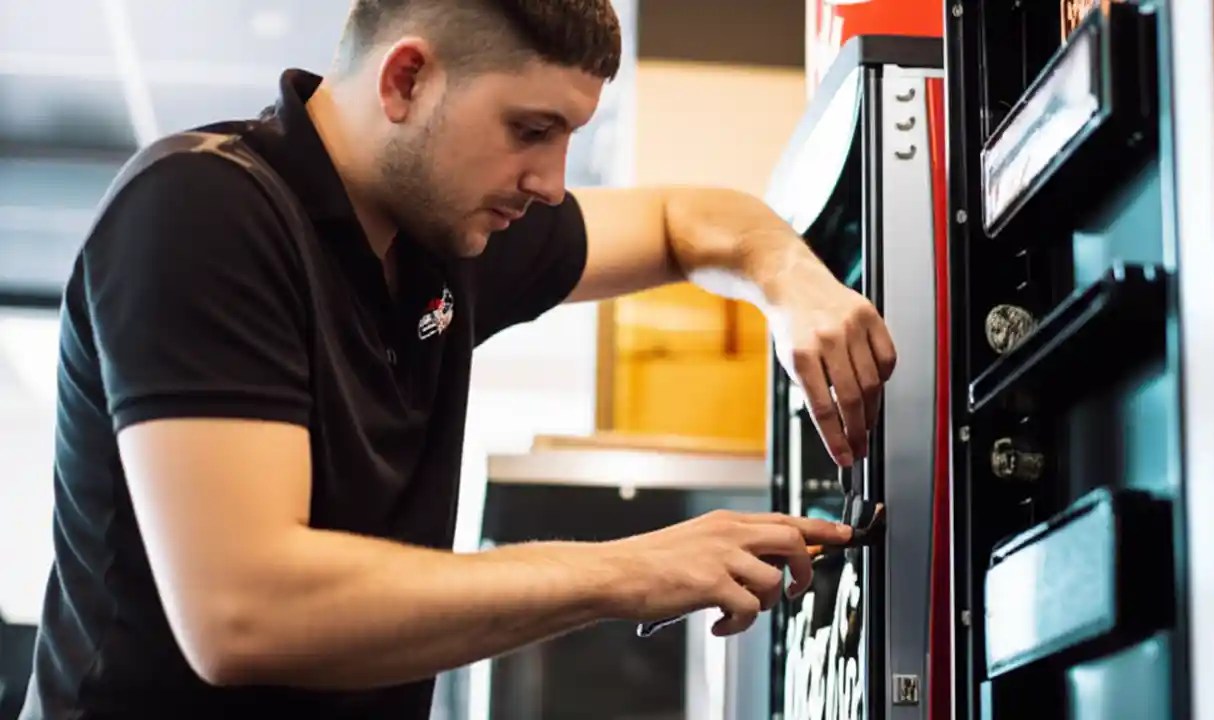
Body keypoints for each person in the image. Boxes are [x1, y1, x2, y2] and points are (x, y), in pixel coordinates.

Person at [20, 1, 897, 717]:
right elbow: (247, 614)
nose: (552, 181)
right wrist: (631, 569)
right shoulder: (203, 212)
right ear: (407, 79)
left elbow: (686, 220)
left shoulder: (444, 240)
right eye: (531, 129)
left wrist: (792, 280)